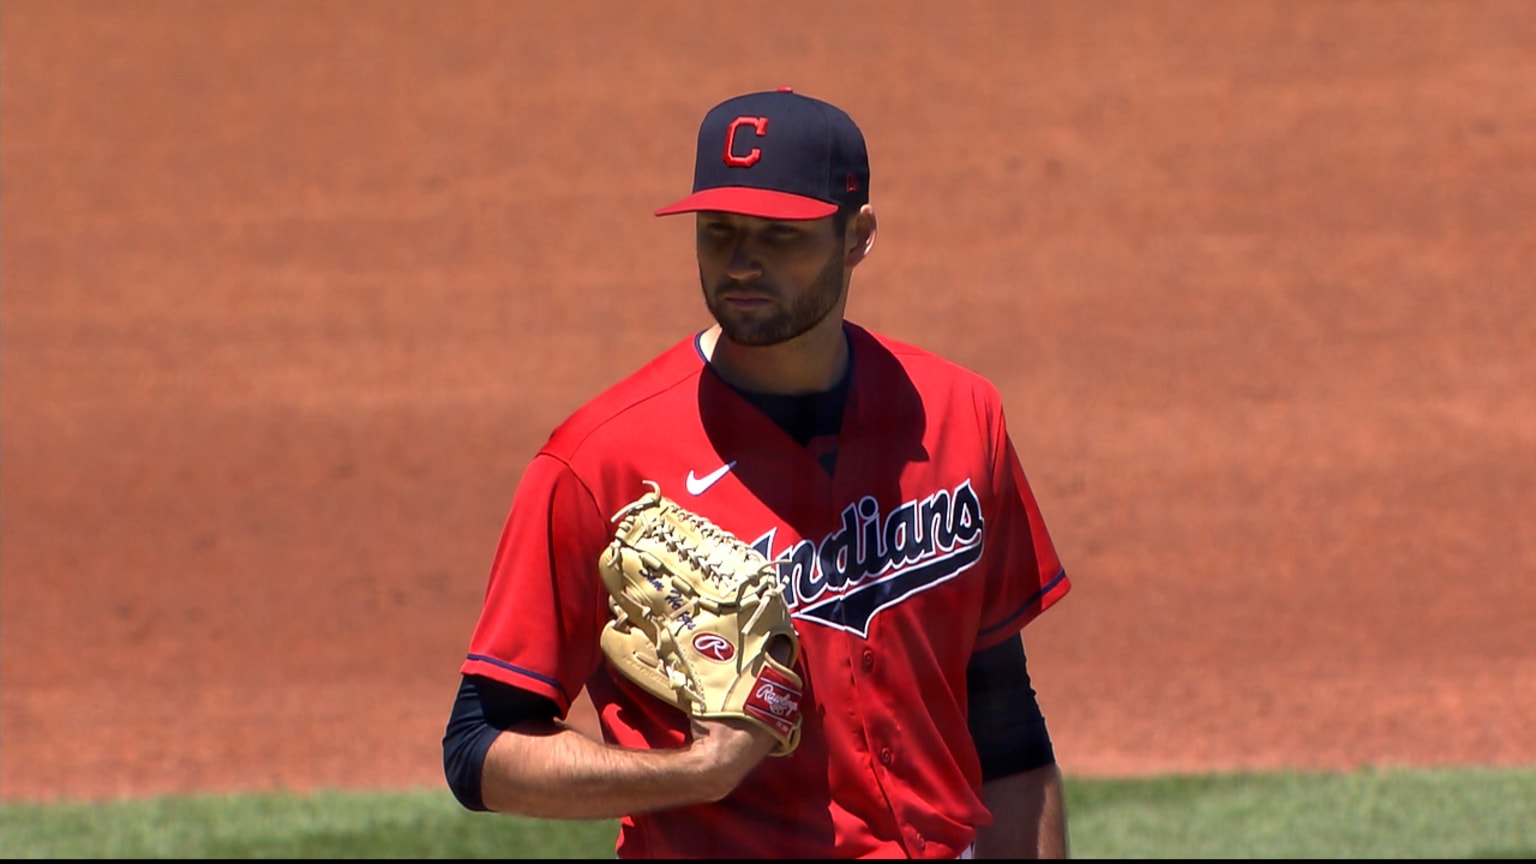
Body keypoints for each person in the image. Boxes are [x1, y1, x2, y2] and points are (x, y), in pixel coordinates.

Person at [442, 86, 1073, 859]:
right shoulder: (600, 461)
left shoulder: (960, 414)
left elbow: (1002, 714)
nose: (743, 262)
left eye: (780, 235)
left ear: (858, 236)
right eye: (720, 231)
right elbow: (480, 748)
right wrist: (692, 772)